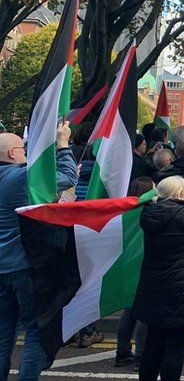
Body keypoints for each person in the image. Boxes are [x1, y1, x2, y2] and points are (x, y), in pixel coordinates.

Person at [0, 122, 77, 381]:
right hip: (24, 265)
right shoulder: (19, 176)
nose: (26, 154)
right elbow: (67, 177)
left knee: (3, 332)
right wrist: (63, 143)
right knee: (35, 332)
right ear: (12, 154)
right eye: (23, 149)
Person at [133, 176, 184, 381]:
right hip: (181, 290)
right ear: (180, 193)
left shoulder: (149, 213)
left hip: (153, 287)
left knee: (153, 343)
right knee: (175, 348)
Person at [115, 177, 156, 369]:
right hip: (143, 262)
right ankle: (141, 355)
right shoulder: (150, 211)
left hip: (127, 262)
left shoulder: (125, 211)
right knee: (145, 312)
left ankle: (122, 351)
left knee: (130, 309)